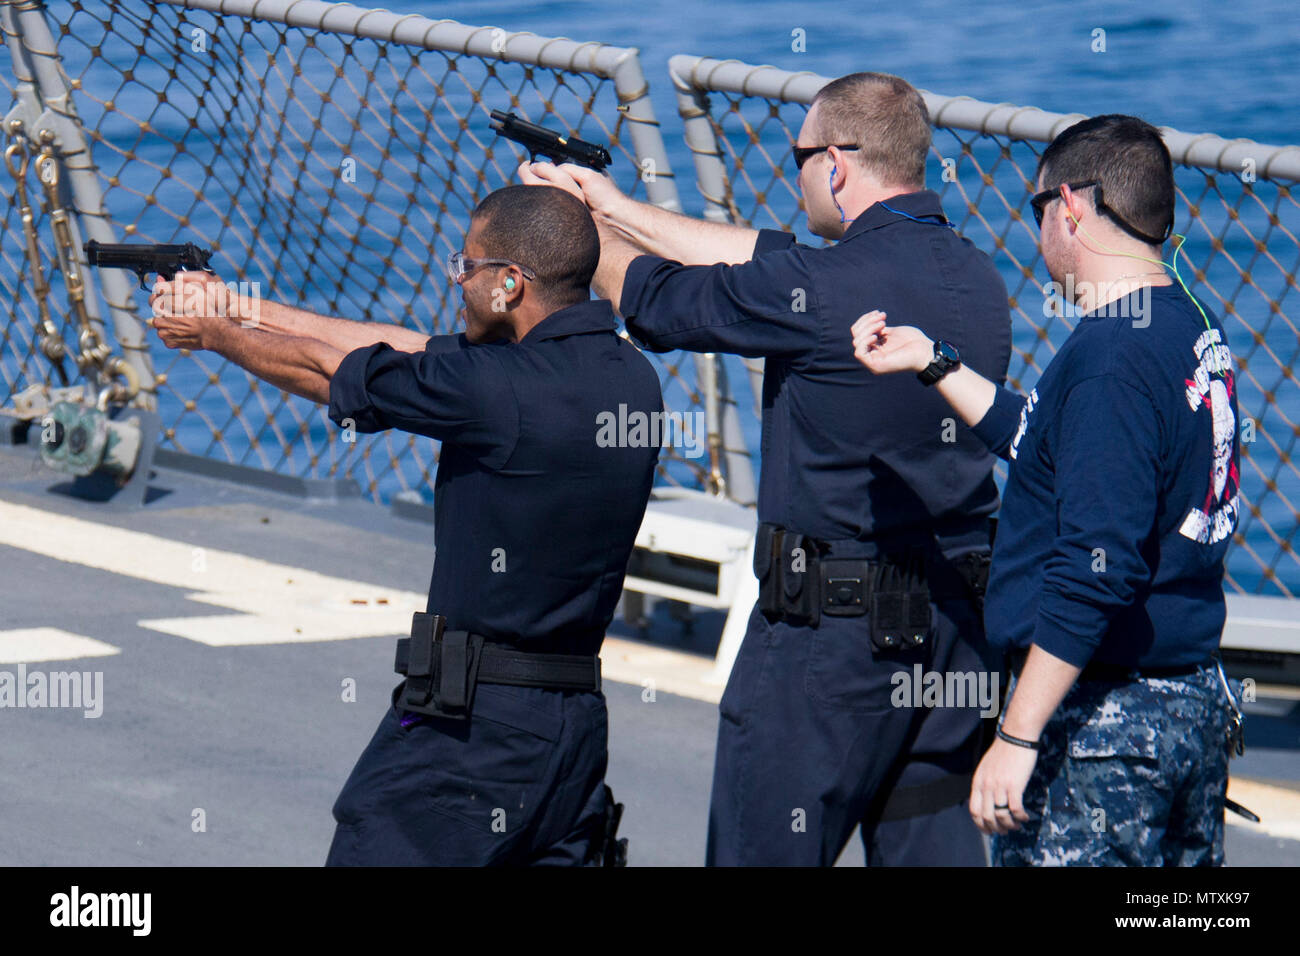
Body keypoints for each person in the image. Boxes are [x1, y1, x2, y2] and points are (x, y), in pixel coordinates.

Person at [523, 72, 1011, 866]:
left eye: (799, 157)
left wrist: (568, 225)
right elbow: (769, 259)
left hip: (831, 646)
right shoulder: (978, 282)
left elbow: (652, 299)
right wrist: (611, 204)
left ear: (838, 164)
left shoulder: (818, 290)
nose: (794, 174)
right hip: (955, 636)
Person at [149, 184, 663, 865]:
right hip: (570, 735)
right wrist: (242, 307)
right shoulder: (629, 379)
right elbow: (409, 351)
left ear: (510, 283)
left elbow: (331, 371)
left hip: (470, 737)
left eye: (467, 267)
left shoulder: (496, 391)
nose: (457, 281)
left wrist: (213, 335)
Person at [851, 114, 1244, 866]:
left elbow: (1097, 561)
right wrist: (934, 363)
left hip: (1108, 727)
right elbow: (1050, 443)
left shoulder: (1109, 359)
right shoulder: (1182, 322)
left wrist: (1017, 735)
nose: (1036, 234)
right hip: (1190, 703)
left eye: (1036, 212)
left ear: (1070, 206)